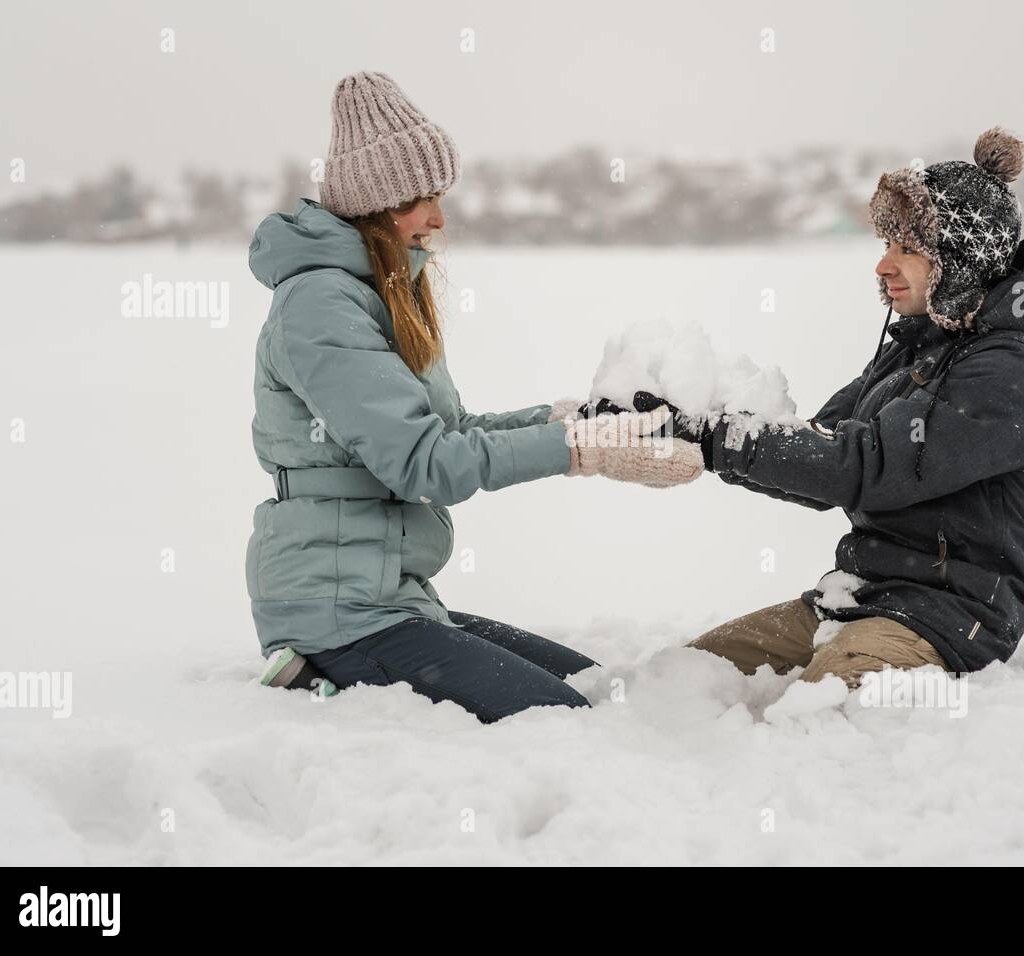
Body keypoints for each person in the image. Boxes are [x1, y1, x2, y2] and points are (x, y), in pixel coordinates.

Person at [248, 71, 702, 721]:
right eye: (423, 198)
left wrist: (567, 418)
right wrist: (580, 450)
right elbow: (425, 463)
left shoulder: (379, 293)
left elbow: (451, 428)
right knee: (563, 719)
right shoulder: (322, 305)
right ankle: (316, 676)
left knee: (599, 687)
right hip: (338, 612)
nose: (438, 217)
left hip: (394, 599)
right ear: (378, 205)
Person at [606, 128, 1024, 689]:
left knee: (823, 710)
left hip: (951, 617)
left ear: (959, 262)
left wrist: (719, 440)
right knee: (687, 677)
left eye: (908, 249)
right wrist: (694, 430)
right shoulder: (919, 346)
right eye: (886, 245)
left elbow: (868, 467)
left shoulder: (1010, 370)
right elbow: (822, 447)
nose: (883, 265)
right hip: (856, 596)